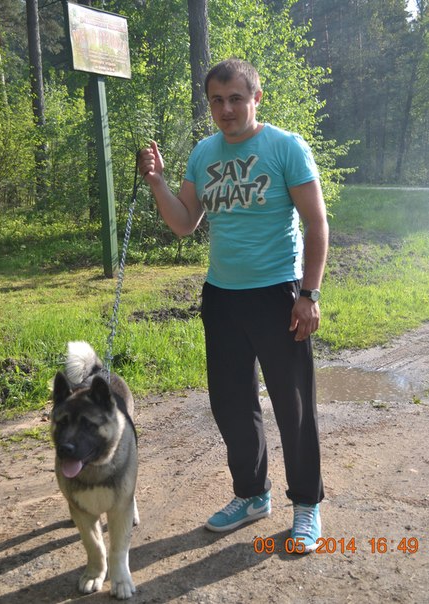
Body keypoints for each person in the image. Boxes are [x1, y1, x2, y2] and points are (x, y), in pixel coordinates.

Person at [138, 58, 329, 553]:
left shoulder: (285, 147)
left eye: (236, 99)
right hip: (222, 297)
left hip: (278, 292)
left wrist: (309, 294)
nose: (226, 109)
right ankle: (251, 494)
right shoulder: (204, 153)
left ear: (256, 98)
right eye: (217, 101)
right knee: (231, 404)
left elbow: (317, 223)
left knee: (293, 404)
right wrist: (157, 183)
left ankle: (306, 504)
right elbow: (185, 223)